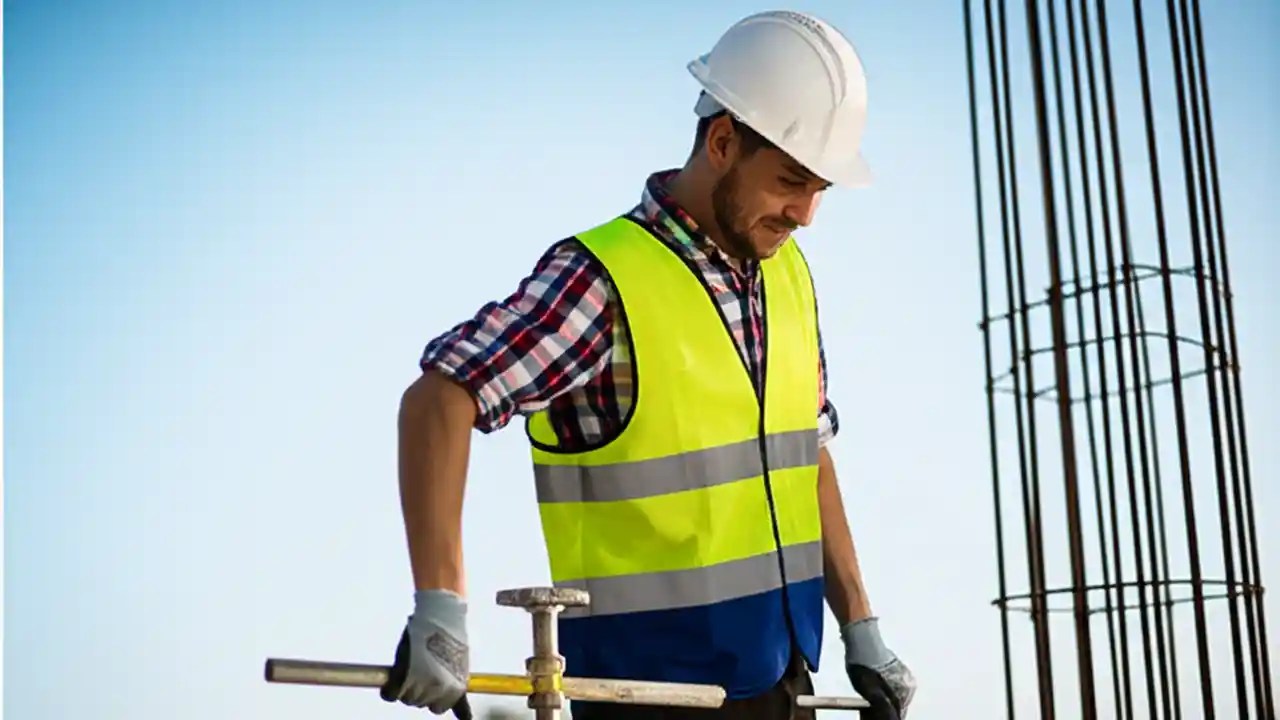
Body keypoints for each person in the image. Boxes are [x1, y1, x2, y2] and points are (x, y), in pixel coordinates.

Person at [378, 10, 916, 720]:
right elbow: (440, 398)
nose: (806, 214)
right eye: (791, 181)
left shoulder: (787, 279)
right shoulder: (601, 282)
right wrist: (440, 605)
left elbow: (805, 452)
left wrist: (861, 626)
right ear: (723, 142)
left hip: (779, 681)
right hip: (648, 697)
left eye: (821, 189)